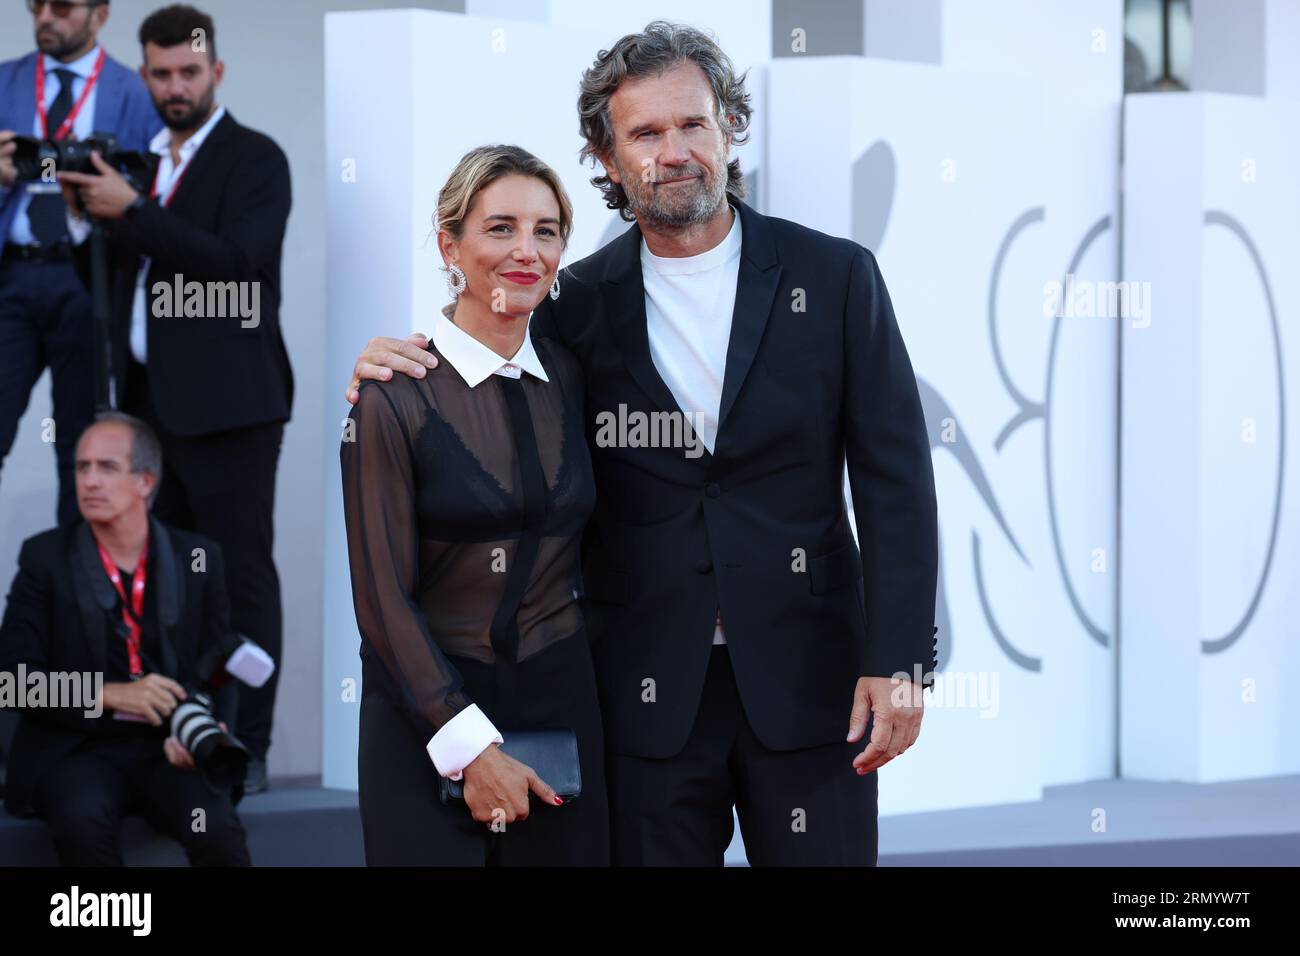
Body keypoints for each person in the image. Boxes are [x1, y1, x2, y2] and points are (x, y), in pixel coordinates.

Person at [345, 22, 939, 866]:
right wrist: (396, 363)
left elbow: (897, 482)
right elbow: (489, 362)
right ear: (607, 156)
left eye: (694, 124)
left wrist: (901, 658)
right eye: (646, 133)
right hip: (644, 692)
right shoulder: (578, 303)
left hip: (814, 684)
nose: (675, 151)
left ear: (730, 128)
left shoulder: (834, 278)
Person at [341, 144, 608, 866]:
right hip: (423, 717)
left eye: (546, 231)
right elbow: (381, 598)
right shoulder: (392, 397)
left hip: (562, 713)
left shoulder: (575, 381)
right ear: (447, 243)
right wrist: (467, 744)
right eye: (500, 228)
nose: (526, 250)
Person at [57, 4, 293, 794]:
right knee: (176, 579)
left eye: (188, 71)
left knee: (242, 575)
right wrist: (94, 218)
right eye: (159, 73)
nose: (174, 86)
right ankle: (185, 734)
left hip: (234, 409)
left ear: (215, 72)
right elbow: (130, 272)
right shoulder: (143, 166)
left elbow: (239, 266)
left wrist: (137, 213)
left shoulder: (255, 158)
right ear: (146, 74)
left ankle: (249, 745)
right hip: (152, 406)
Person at [0, 411, 251, 866]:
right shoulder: (44, 558)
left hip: (166, 747)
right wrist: (110, 694)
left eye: (107, 467)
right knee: (82, 820)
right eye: (82, 467)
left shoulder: (197, 557)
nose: (90, 481)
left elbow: (221, 663)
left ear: (145, 481)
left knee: (218, 831)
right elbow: (13, 681)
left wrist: (208, 732)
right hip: (77, 749)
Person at [0, 0, 161, 527]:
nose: (46, 16)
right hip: (12, 275)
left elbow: (151, 188)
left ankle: (76, 596)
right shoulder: (5, 81)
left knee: (81, 444)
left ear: (100, 13)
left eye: (63, 5)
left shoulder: (133, 91)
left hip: (91, 279)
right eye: (36, 5)